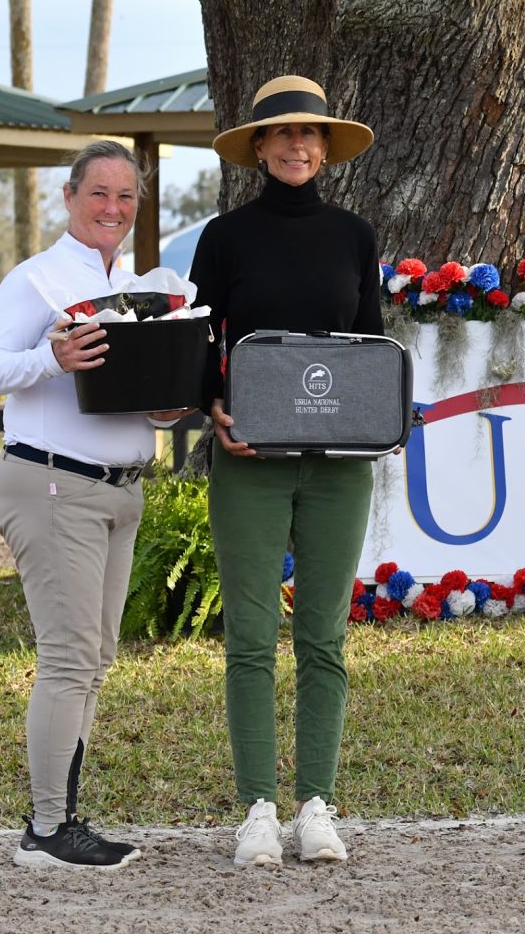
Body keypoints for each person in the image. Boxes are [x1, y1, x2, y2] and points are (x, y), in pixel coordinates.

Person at [0, 140, 187, 868]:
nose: (114, 209)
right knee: (68, 659)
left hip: (120, 490)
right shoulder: (35, 281)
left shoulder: (138, 285)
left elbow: (134, 399)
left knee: (94, 661)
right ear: (69, 197)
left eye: (127, 197)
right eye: (100, 193)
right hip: (53, 484)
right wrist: (49, 359)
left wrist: (163, 409)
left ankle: (63, 816)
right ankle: (47, 829)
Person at [190, 75, 381, 868]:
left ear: (326, 149)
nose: (298, 147)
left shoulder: (355, 236)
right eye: (283, 135)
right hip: (251, 463)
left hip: (338, 469)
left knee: (325, 638)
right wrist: (215, 407)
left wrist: (373, 424)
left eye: (312, 136)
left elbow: (371, 349)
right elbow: (195, 345)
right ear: (259, 149)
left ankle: (315, 807)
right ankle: (258, 811)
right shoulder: (225, 236)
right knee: (250, 639)